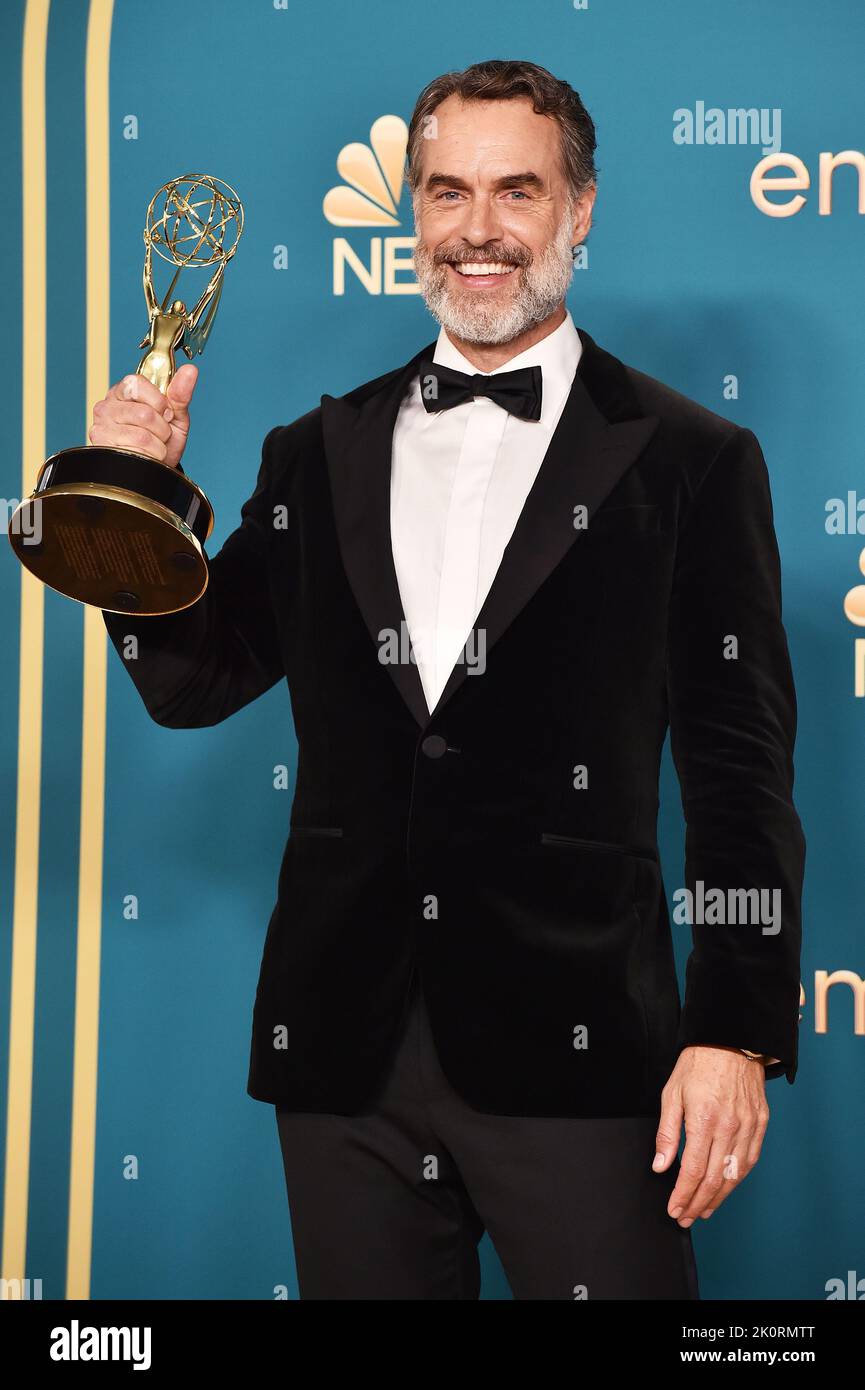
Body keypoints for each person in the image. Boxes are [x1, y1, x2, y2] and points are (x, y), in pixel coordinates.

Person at [90, 59, 805, 1300]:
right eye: (446, 193)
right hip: (343, 1061)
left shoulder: (694, 460)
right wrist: (131, 511)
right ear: (410, 214)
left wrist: (734, 1026)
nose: (477, 230)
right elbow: (194, 680)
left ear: (580, 210)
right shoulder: (315, 451)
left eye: (516, 192)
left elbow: (741, 777)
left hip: (581, 1058)